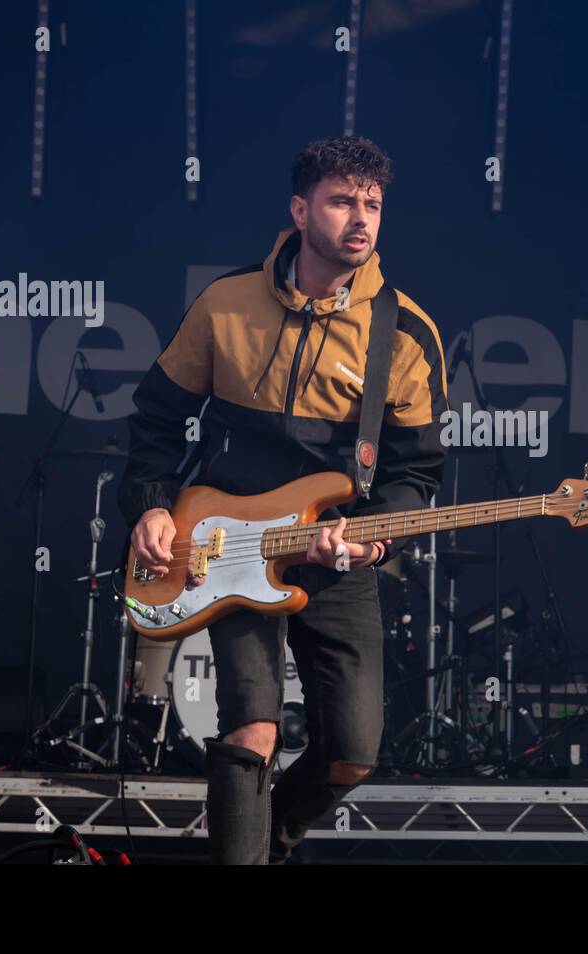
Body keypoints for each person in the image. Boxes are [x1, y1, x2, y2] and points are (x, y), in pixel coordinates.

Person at [118, 136, 447, 864]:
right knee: (253, 730)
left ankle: (266, 847)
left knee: (354, 754)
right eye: (341, 201)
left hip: (332, 558)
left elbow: (416, 473)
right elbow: (155, 420)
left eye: (373, 205)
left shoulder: (406, 332)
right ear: (300, 210)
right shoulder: (225, 303)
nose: (360, 218)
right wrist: (149, 504)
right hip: (224, 546)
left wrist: (364, 534)